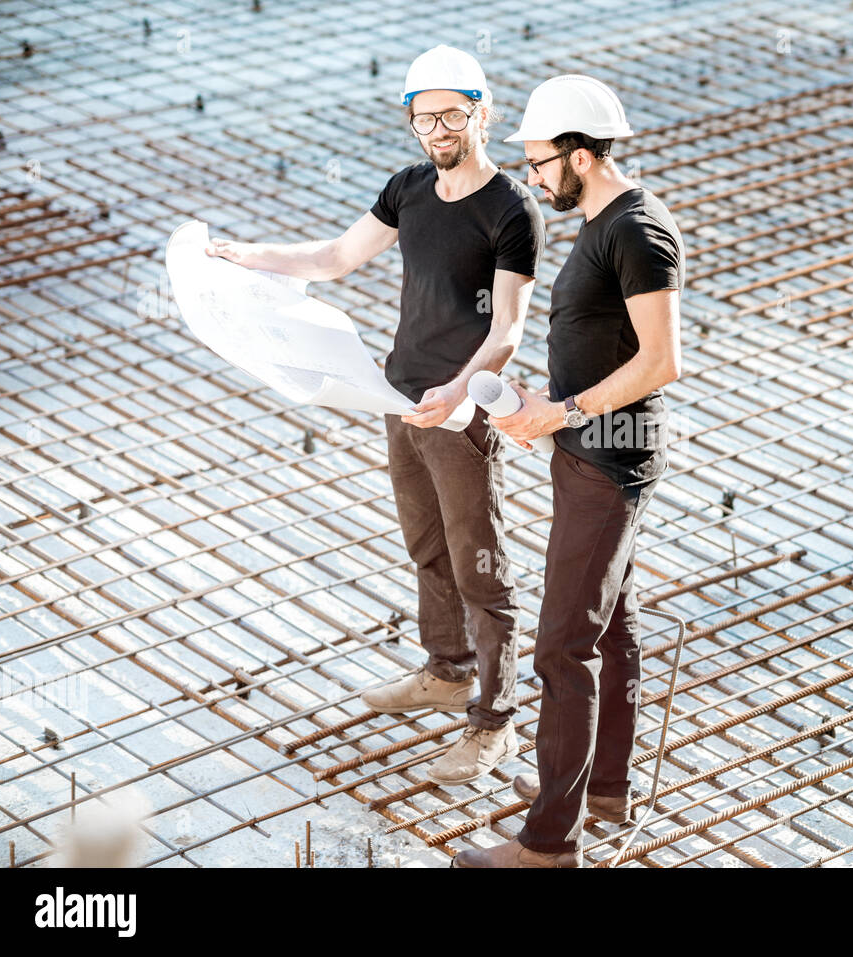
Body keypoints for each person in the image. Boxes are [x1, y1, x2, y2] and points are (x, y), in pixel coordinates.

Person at [205, 45, 544, 786]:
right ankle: (447, 669)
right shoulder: (408, 188)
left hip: (458, 414)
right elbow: (333, 258)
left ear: (483, 113)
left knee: (481, 565)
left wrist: (458, 392)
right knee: (425, 544)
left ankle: (495, 722)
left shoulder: (511, 208)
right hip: (395, 396)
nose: (439, 130)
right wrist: (246, 257)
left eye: (453, 114)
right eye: (425, 118)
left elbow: (508, 329)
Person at [455, 75, 683, 867]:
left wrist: (563, 413)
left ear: (582, 156)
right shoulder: (600, 221)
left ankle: (550, 845)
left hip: (609, 464)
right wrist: (538, 402)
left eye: (542, 161)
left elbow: (661, 361)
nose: (533, 176)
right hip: (586, 450)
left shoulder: (638, 233)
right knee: (610, 630)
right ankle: (605, 790)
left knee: (560, 649)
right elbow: (604, 349)